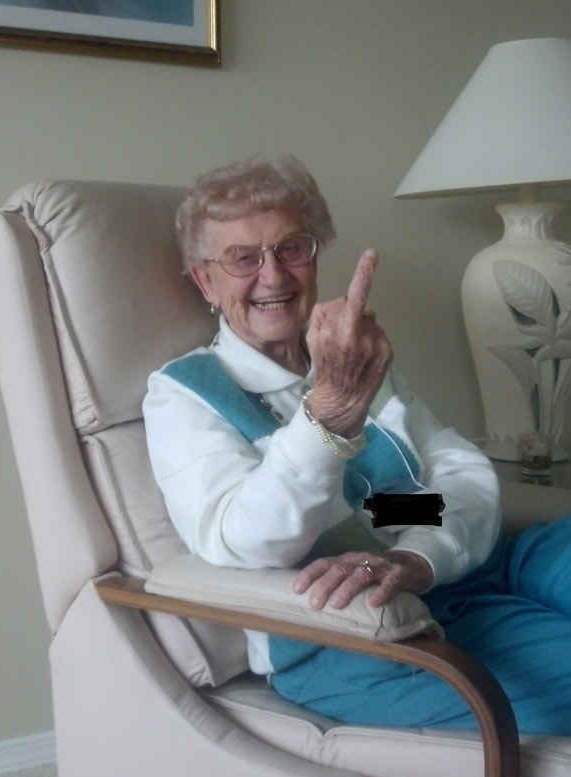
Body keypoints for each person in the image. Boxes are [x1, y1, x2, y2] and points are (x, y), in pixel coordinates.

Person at [143, 155, 571, 735]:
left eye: (292, 248)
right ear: (205, 281)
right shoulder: (185, 393)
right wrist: (329, 415)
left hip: (451, 566)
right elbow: (242, 539)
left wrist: (415, 551)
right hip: (348, 630)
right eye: (242, 258)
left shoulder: (347, 354)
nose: (272, 276)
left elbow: (455, 473)